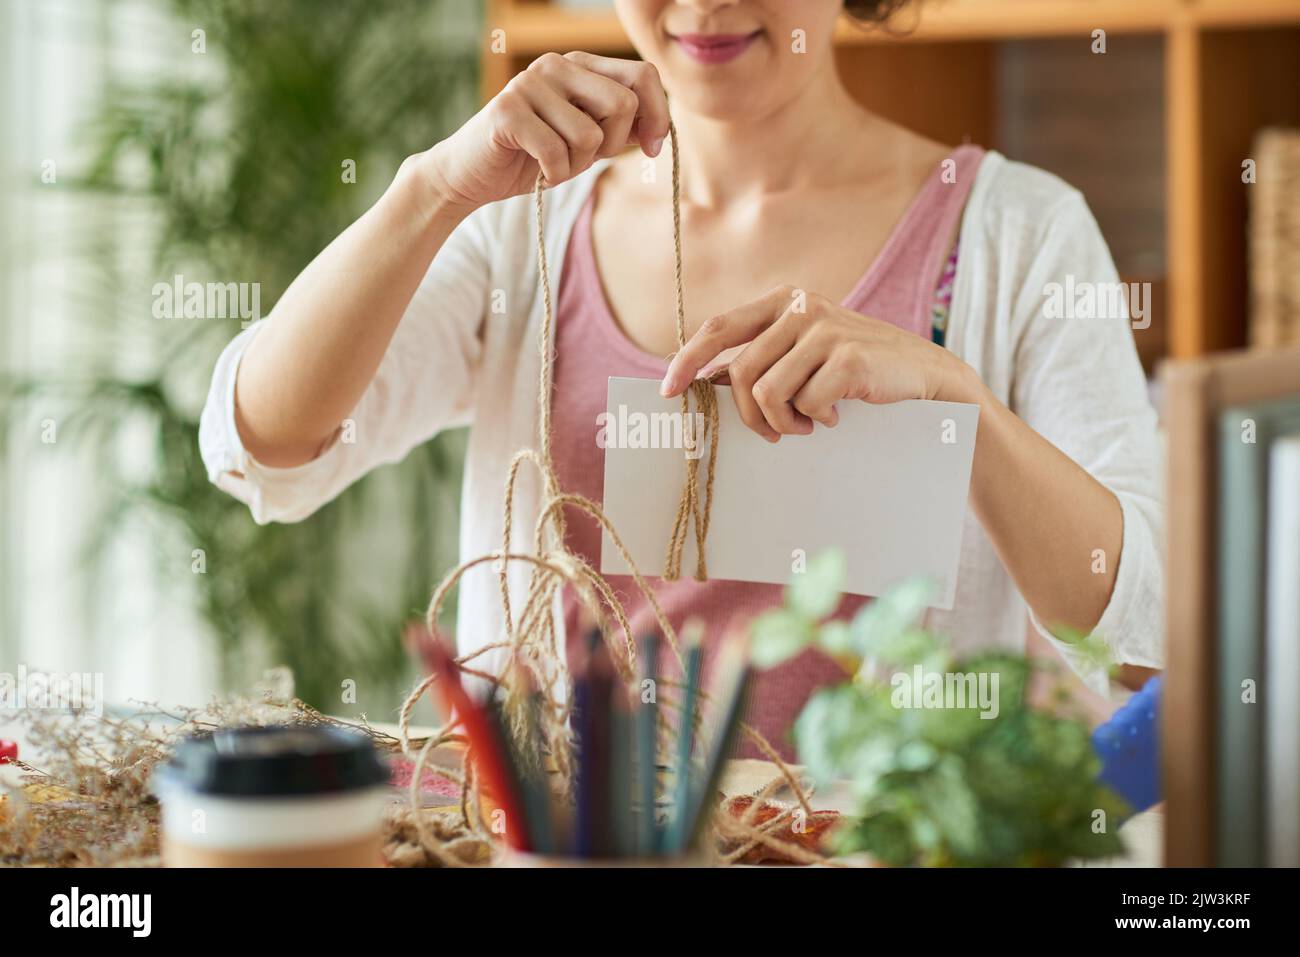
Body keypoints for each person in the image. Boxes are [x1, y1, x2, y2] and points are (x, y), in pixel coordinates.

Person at [199, 0, 1163, 756]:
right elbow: (263, 444)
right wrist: (432, 189)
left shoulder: (1018, 233)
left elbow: (1141, 624)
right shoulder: (518, 226)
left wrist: (966, 408)